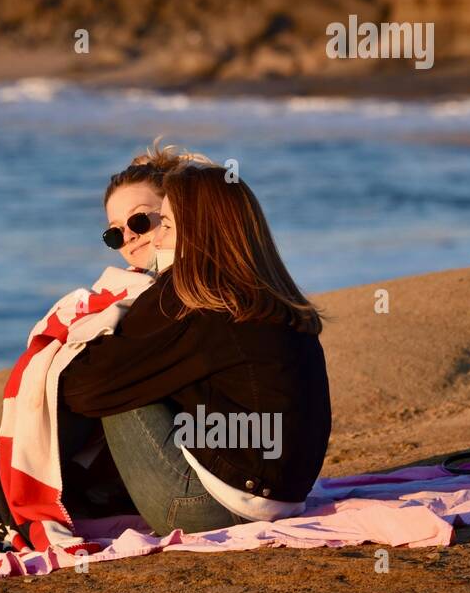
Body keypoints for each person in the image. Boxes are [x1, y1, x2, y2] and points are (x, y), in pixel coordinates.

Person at [59, 160, 332, 536]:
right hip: (285, 495)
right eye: (114, 235)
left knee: (117, 382)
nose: (153, 239)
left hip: (205, 508)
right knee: (138, 370)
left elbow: (84, 390)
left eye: (164, 225)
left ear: (198, 228)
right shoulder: (259, 286)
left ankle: (40, 496)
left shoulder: (189, 295)